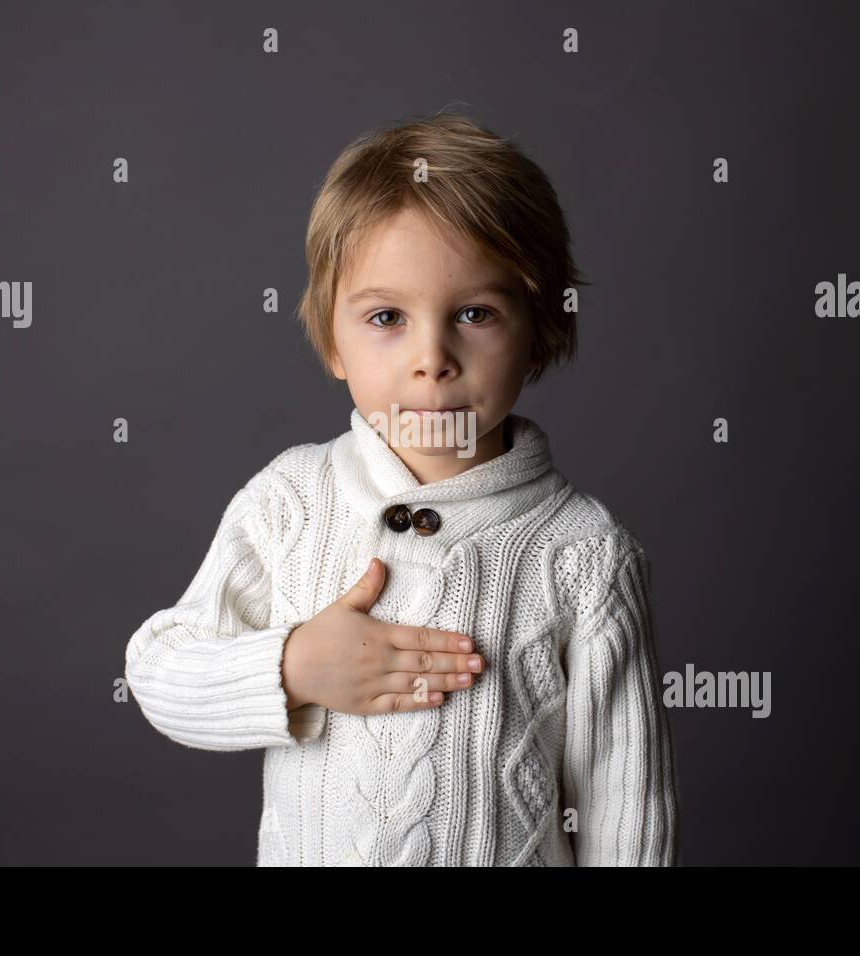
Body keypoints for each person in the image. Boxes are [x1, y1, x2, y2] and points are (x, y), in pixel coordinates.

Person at [123, 110, 680, 866]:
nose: (432, 358)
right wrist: (293, 668)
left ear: (542, 330)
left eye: (475, 314)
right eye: (386, 316)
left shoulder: (583, 554)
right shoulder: (291, 502)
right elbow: (161, 669)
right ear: (331, 340)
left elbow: (625, 811)